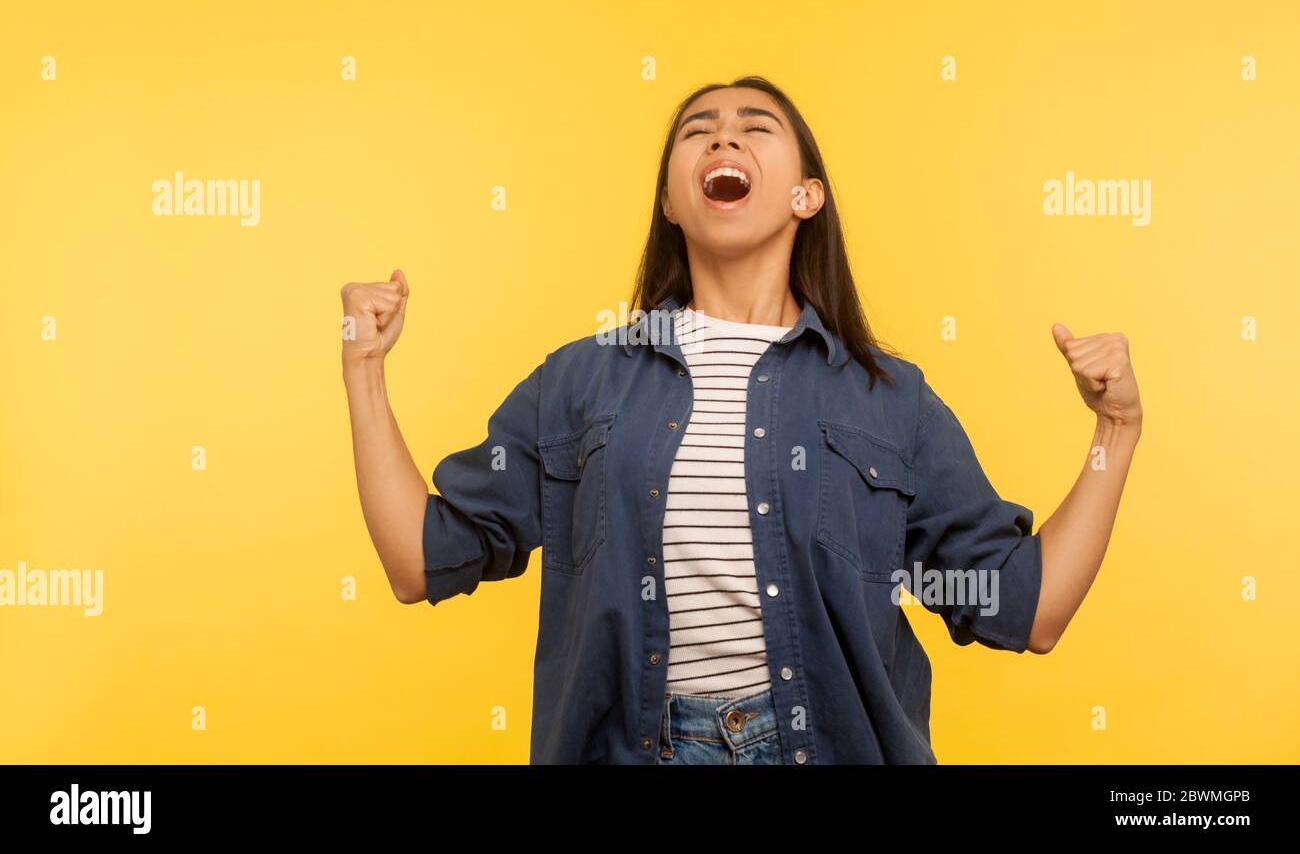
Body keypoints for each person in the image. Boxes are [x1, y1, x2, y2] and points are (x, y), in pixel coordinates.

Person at [339, 75, 1143, 764]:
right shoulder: (580, 382)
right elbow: (420, 561)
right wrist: (364, 369)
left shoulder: (890, 398)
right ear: (671, 199)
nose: (723, 141)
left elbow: (1028, 611)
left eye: (754, 129)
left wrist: (1116, 433)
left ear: (807, 196)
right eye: (698, 133)